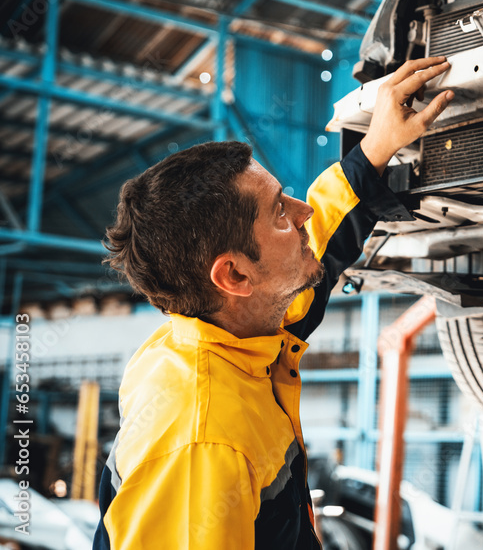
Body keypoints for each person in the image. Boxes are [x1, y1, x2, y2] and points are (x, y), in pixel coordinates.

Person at [92, 57, 454, 549]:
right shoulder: (202, 443)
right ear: (235, 274)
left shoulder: (239, 328)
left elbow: (319, 239)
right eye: (281, 213)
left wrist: (373, 151)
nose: (303, 211)